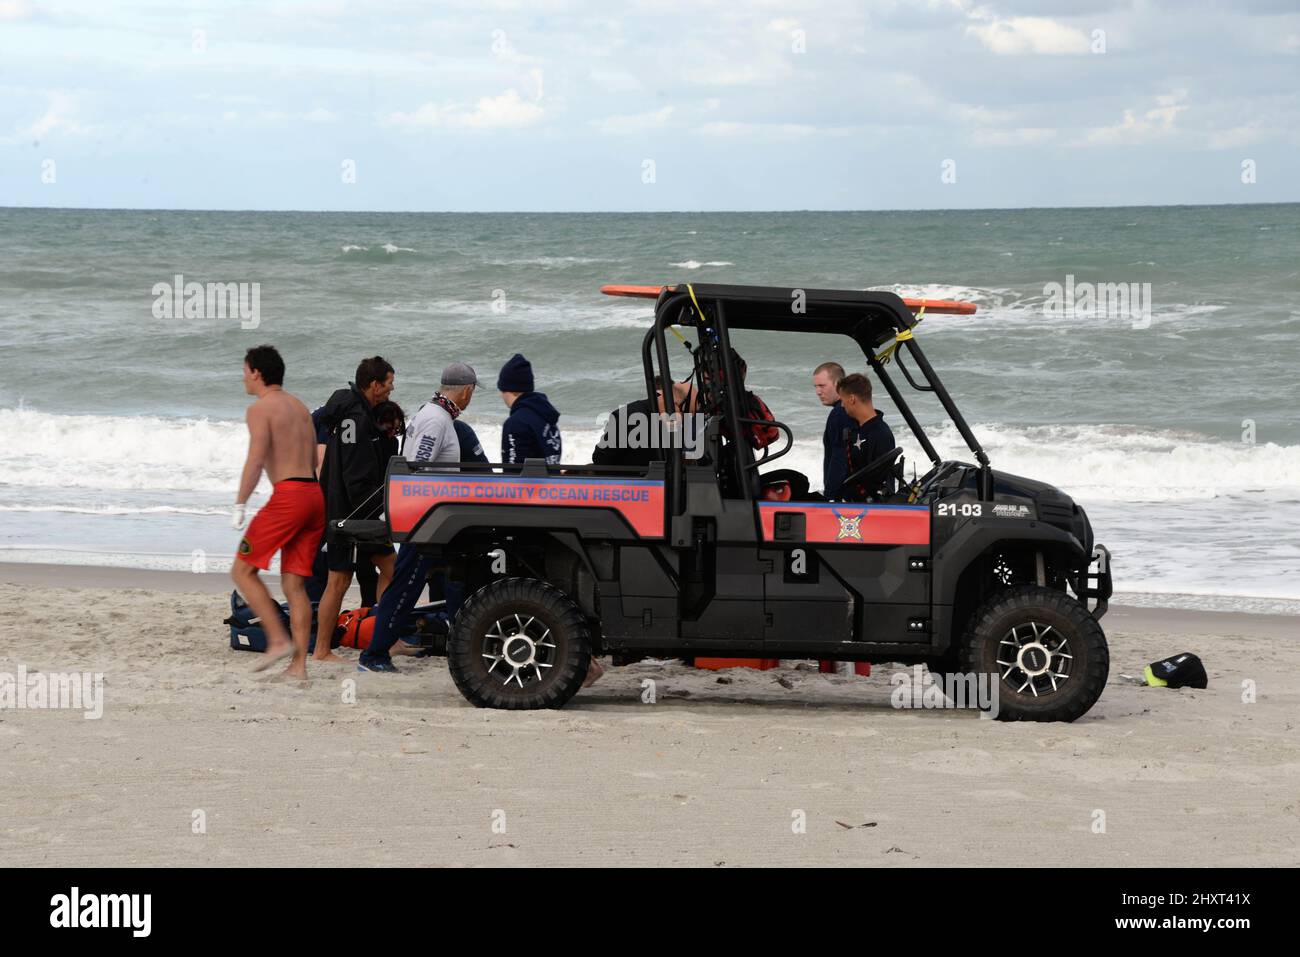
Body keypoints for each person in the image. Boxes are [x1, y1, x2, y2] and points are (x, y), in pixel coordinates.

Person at [358, 363, 479, 674]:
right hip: (426, 521)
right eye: (472, 393)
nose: (471, 399)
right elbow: (418, 468)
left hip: (433, 520)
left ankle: (463, 646)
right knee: (405, 587)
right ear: (466, 391)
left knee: (454, 577)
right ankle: (374, 655)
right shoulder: (437, 421)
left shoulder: (432, 413)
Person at [229, 345, 325, 680]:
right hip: (315, 496)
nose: (242, 377)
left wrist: (240, 502)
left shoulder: (260, 409)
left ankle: (276, 640)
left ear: (256, 372)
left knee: (242, 571)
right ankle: (298, 669)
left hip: (290, 496)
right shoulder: (299, 407)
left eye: (244, 370)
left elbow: (255, 460)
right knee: (294, 586)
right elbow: (315, 460)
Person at [313, 356, 398, 663]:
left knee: (389, 569)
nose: (391, 388)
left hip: (347, 511)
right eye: (388, 383)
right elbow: (356, 477)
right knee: (340, 580)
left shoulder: (351, 409)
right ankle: (323, 649)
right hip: (351, 516)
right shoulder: (358, 418)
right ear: (374, 385)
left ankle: (385, 639)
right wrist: (377, 511)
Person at [591, 377, 699, 467]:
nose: (684, 421)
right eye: (685, 415)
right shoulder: (628, 416)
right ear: (674, 404)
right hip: (631, 485)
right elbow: (601, 459)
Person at [836, 372, 898, 502]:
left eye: (842, 400)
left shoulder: (881, 434)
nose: (842, 405)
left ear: (852, 399)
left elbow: (878, 483)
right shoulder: (855, 431)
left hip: (870, 508)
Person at [497, 353, 562, 466]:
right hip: (551, 482)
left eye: (502, 390)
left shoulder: (515, 423)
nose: (501, 395)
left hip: (530, 483)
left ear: (511, 389)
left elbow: (513, 470)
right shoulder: (546, 415)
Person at [813, 361, 854, 498]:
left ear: (838, 384)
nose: (818, 392)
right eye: (816, 387)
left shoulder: (839, 414)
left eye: (822, 386)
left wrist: (830, 497)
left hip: (842, 497)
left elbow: (839, 459)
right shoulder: (851, 409)